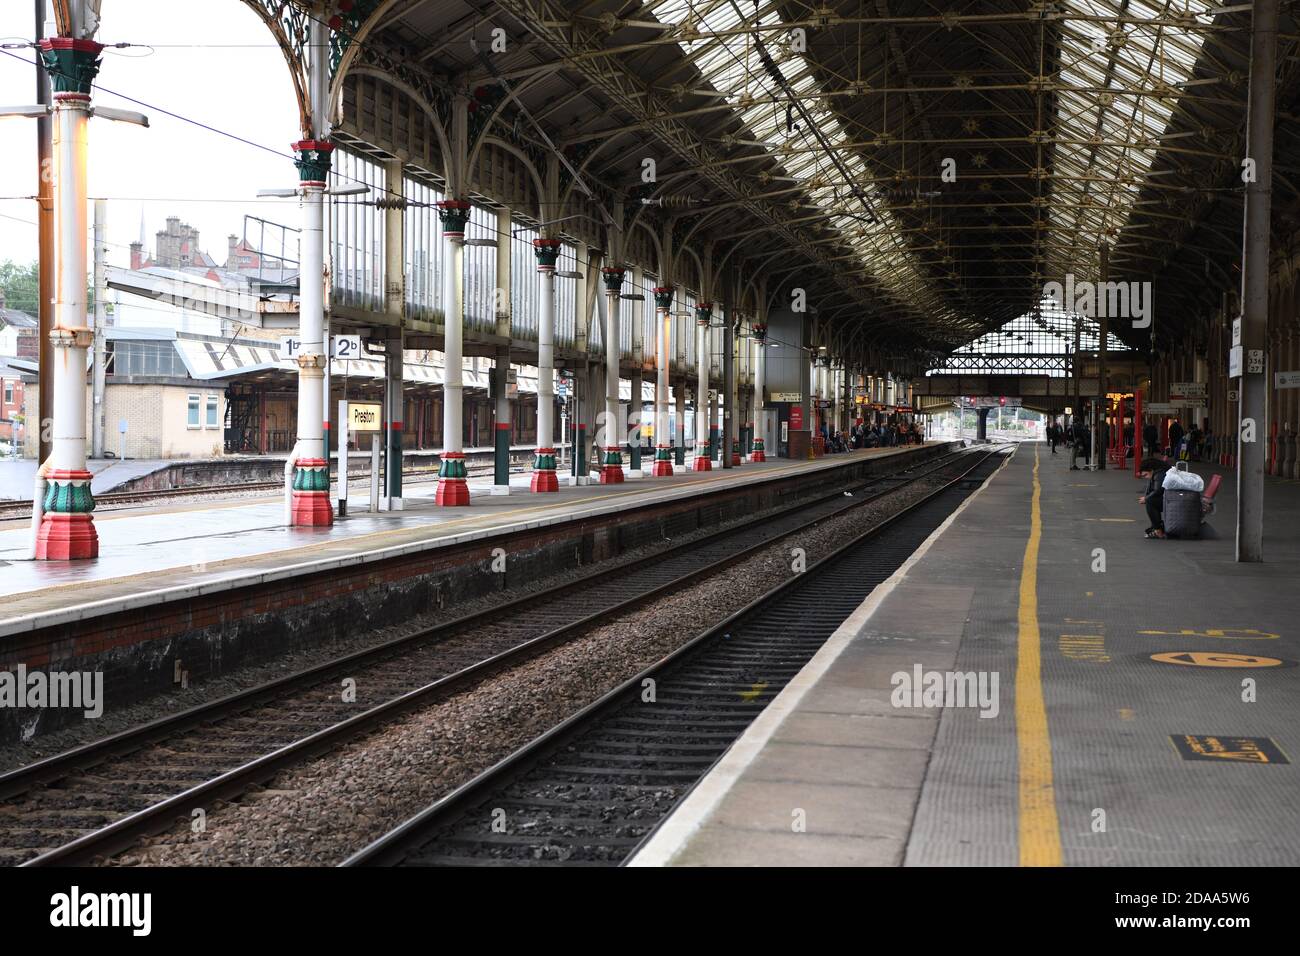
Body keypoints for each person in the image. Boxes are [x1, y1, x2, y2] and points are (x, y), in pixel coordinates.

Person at [1138, 456, 1171, 538]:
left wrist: (1146, 498)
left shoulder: (1159, 474)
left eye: (1145, 475)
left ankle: (1158, 530)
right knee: (1150, 500)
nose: (1145, 477)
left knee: (1150, 501)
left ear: (1151, 470)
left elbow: (1158, 490)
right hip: (1171, 499)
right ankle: (1157, 527)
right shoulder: (1160, 472)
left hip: (1170, 501)